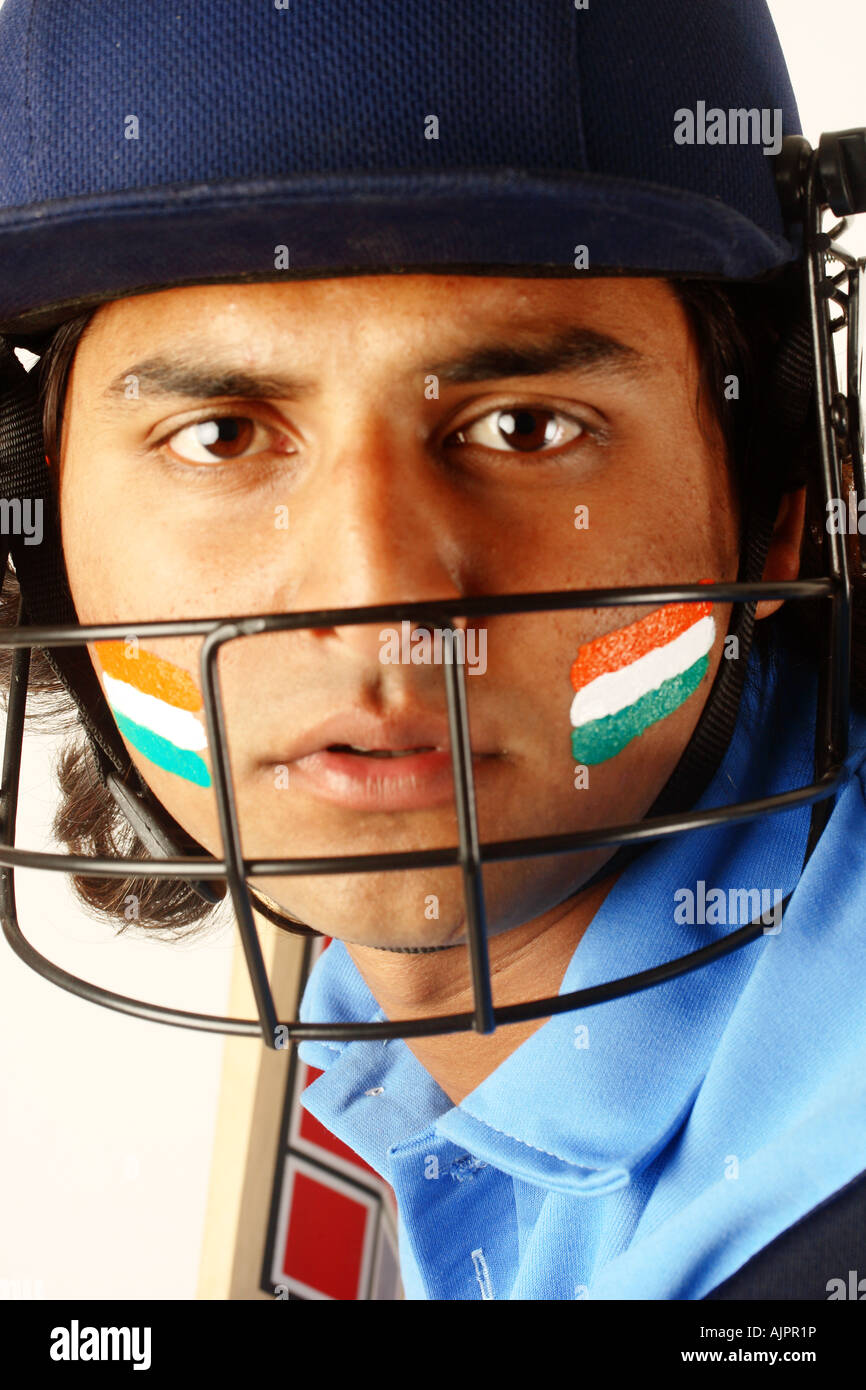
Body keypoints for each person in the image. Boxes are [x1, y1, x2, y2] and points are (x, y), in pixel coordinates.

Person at [1, 0, 865, 1300]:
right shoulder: (381, 1038)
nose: (376, 593)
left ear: (774, 504)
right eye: (222, 435)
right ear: (41, 529)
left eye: (523, 425)